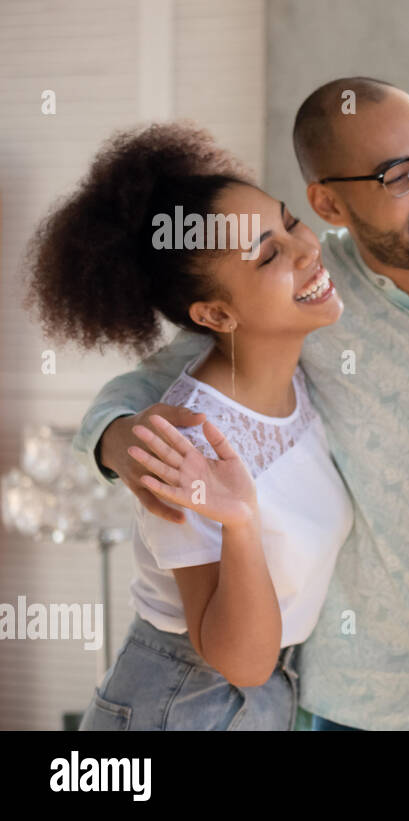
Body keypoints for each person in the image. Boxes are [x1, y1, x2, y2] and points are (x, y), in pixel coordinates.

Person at [71, 78, 409, 731]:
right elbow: (144, 387)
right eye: (395, 174)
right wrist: (125, 440)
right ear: (329, 200)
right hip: (336, 701)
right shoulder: (299, 299)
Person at [26, 122, 353, 730]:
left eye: (288, 222)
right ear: (216, 314)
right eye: (269, 255)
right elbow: (243, 661)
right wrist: (241, 520)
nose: (308, 249)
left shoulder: (295, 382)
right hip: (186, 704)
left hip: (258, 700)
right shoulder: (187, 445)